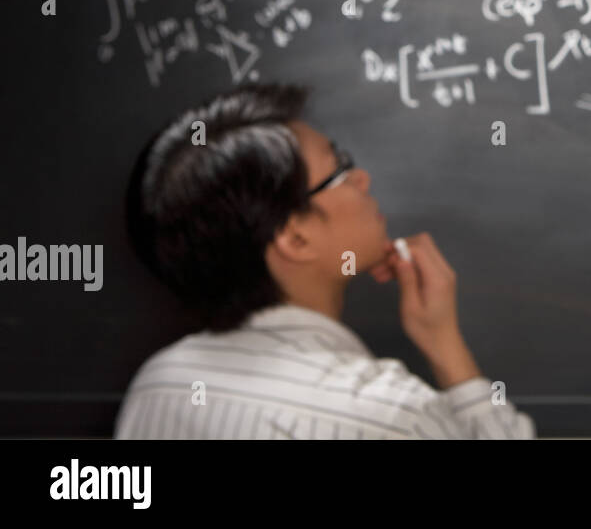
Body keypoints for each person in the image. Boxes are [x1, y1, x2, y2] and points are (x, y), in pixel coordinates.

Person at [115, 84, 534, 439]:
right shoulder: (392, 416)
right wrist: (447, 347)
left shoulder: (160, 382)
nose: (362, 179)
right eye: (340, 170)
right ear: (296, 238)